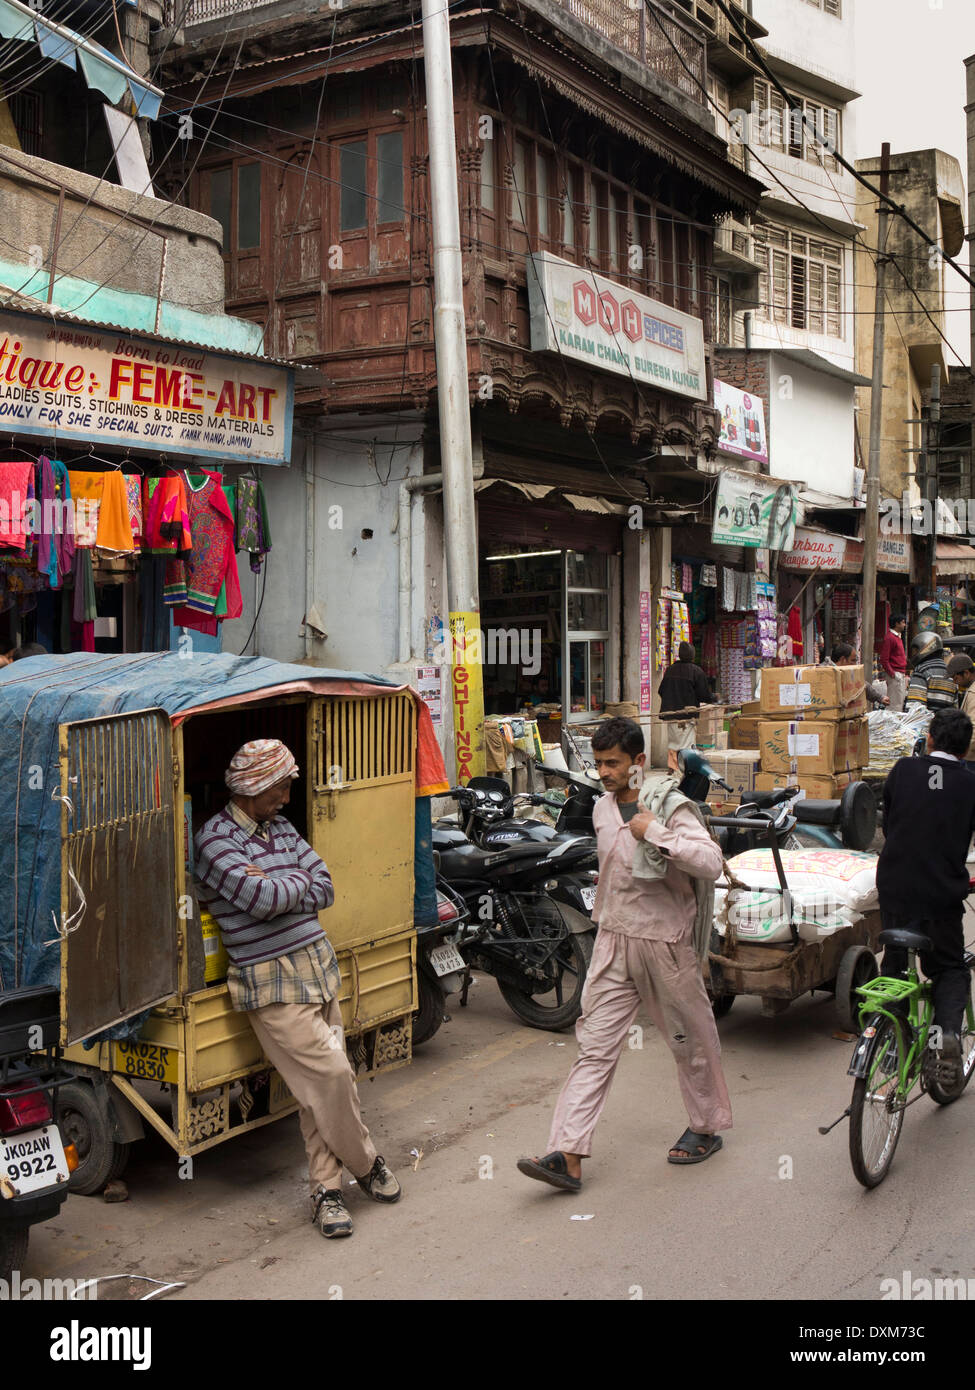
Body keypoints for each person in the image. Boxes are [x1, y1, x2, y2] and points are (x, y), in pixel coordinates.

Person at [194, 739, 401, 1239]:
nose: (288, 797)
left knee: (316, 1092)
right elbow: (259, 899)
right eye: (282, 787)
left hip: (318, 967)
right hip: (272, 981)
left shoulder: (280, 827)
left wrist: (284, 884)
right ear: (254, 787)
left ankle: (326, 1193)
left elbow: (324, 883)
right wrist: (292, 886)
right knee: (332, 1076)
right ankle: (367, 1162)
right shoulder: (214, 840)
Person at [516, 716, 730, 1190]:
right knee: (593, 1048)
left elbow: (711, 863)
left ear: (638, 762)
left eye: (612, 763)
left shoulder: (671, 808)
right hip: (613, 939)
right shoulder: (599, 809)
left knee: (689, 1042)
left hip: (665, 944)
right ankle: (566, 1154)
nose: (604, 772)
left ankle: (706, 1125)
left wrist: (655, 832)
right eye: (598, 763)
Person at [877, 708, 975, 1086]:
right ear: (965, 751)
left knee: (896, 964)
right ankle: (946, 1035)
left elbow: (889, 823)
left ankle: (891, 1042)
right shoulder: (970, 784)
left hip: (895, 887)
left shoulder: (903, 770)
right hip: (941, 894)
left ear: (929, 738)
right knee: (948, 968)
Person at [658, 641, 711, 774]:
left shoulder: (670, 670)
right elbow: (704, 695)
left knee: (673, 743)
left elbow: (661, 691)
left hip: (670, 714)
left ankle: (672, 768)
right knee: (685, 745)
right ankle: (682, 770)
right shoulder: (696, 671)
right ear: (692, 656)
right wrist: (714, 698)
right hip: (687, 716)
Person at [947, 653, 975, 768]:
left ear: (966, 673)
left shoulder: (973, 693)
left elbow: (974, 729)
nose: (954, 682)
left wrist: (960, 752)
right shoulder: (971, 690)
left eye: (955, 678)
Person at [877, 616, 908, 711]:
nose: (904, 625)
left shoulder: (896, 637)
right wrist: (893, 674)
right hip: (895, 673)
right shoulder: (890, 638)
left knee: (899, 701)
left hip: (899, 673)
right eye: (903, 622)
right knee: (895, 704)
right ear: (896, 624)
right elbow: (884, 659)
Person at [765, 483, 796, 551]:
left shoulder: (788, 531)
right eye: (781, 505)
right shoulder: (765, 529)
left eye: (788, 508)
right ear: (775, 505)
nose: (784, 511)